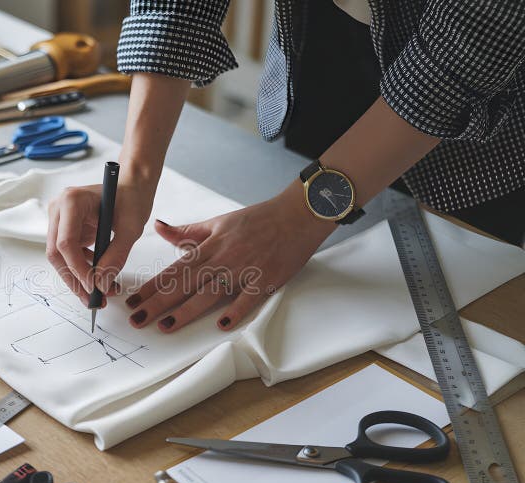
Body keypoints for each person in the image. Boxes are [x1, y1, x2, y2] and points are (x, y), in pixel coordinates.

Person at [47, 0, 525, 334]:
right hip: (320, 60)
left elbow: (467, 49)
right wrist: (136, 174)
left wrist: (294, 218)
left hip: (482, 142)